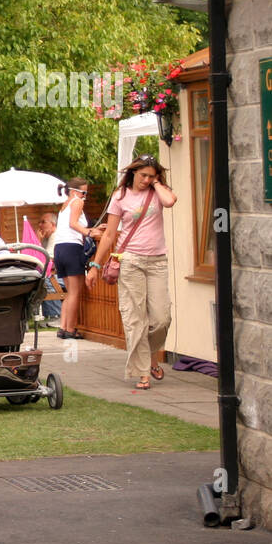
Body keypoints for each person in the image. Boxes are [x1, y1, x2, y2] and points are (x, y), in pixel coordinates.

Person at [87, 155, 177, 391]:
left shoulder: (157, 191)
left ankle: (151, 357)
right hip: (130, 261)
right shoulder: (121, 196)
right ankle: (142, 372)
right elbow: (109, 235)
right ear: (133, 173)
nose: (145, 180)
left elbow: (170, 201)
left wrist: (157, 183)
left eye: (150, 176)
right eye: (143, 175)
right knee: (135, 319)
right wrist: (95, 266)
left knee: (161, 318)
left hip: (158, 261)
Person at [51, 179, 92, 340]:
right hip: (72, 248)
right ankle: (70, 329)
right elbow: (74, 224)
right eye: (84, 193)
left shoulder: (64, 205)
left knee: (69, 292)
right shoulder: (77, 202)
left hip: (59, 248)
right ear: (75, 191)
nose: (85, 197)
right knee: (75, 292)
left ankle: (63, 327)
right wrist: (89, 233)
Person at [36, 212, 62, 325]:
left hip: (62, 274)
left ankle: (56, 315)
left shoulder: (55, 236)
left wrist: (38, 241)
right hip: (55, 272)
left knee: (46, 280)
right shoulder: (47, 237)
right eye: (39, 222)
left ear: (53, 224)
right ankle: (49, 315)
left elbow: (48, 260)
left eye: (43, 222)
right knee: (39, 278)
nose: (40, 225)